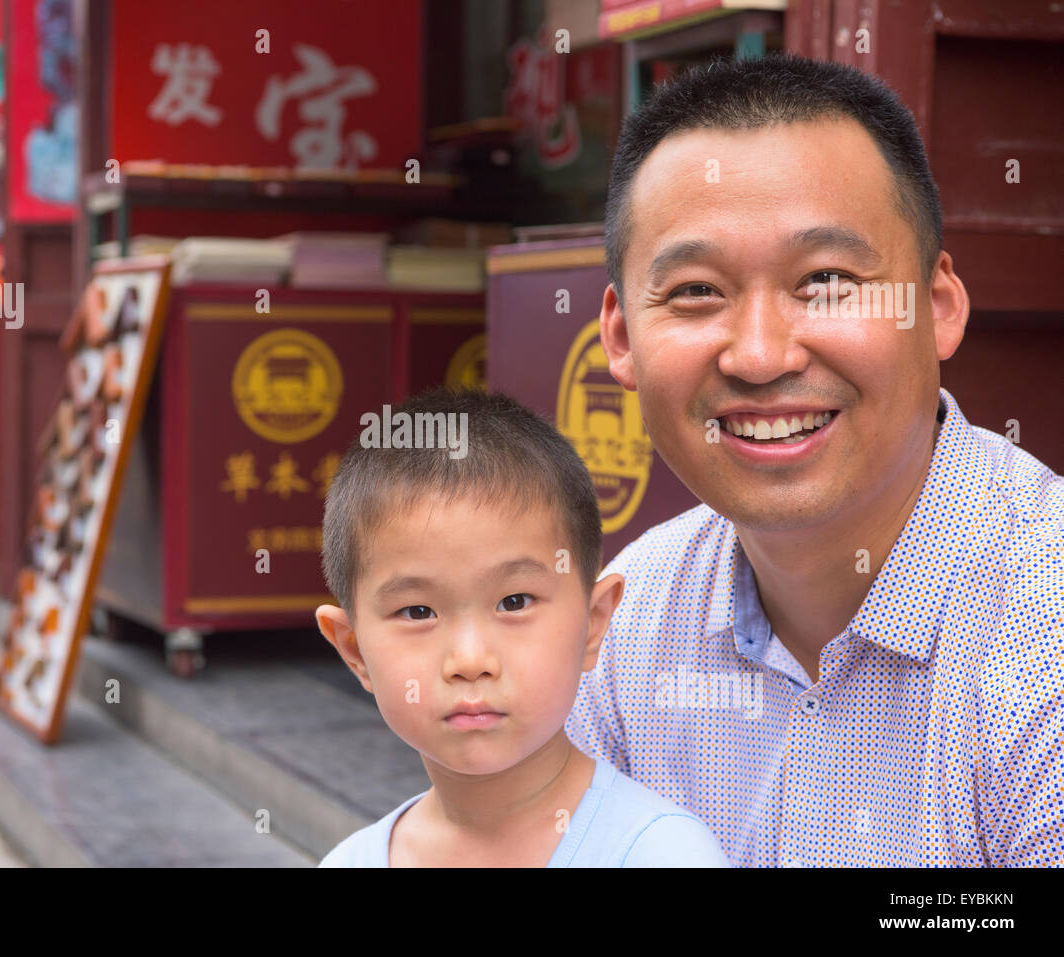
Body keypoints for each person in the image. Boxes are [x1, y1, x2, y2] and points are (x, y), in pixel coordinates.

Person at [564, 52, 1063, 865]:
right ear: (620, 338)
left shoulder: (1043, 627)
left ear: (937, 308)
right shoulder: (629, 624)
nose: (759, 356)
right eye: (696, 291)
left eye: (826, 279)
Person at [313, 387, 730, 866]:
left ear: (593, 624)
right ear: (355, 651)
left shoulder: (661, 854)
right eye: (418, 612)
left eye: (514, 602)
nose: (470, 661)